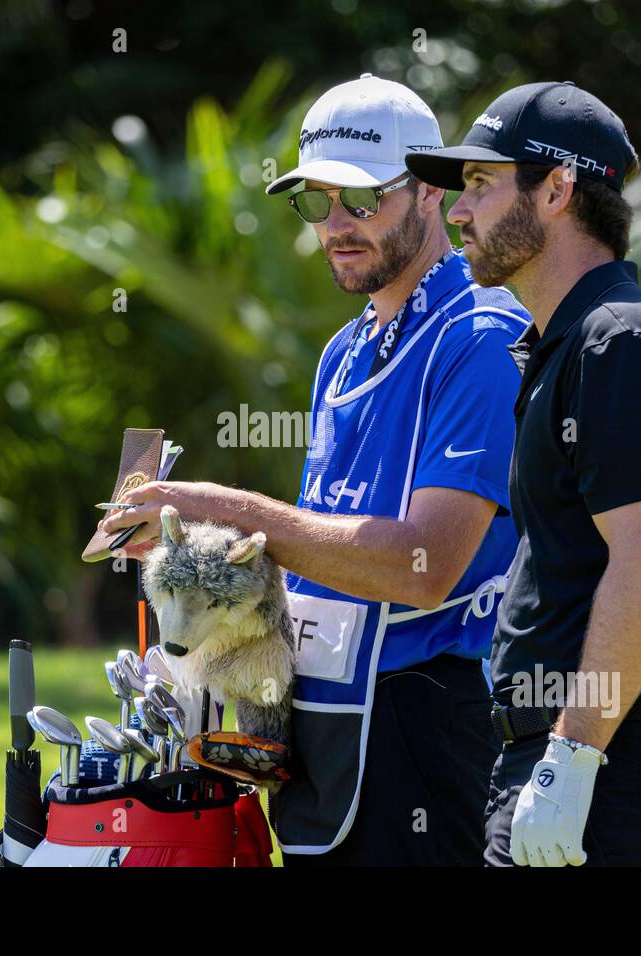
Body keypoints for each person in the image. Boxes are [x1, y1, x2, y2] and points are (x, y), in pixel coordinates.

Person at [99, 74, 530, 864]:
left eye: (362, 200)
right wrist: (204, 560)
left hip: (428, 731)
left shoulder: (483, 334)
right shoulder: (344, 350)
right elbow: (316, 559)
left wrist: (236, 509)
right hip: (320, 732)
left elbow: (424, 567)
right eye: (316, 202)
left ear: (430, 192)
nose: (335, 226)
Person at [406, 81, 641, 866]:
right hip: (562, 757)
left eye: (481, 184)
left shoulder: (618, 340)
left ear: (556, 190)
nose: (457, 212)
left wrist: (574, 755)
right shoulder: (564, 344)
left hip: (612, 765)